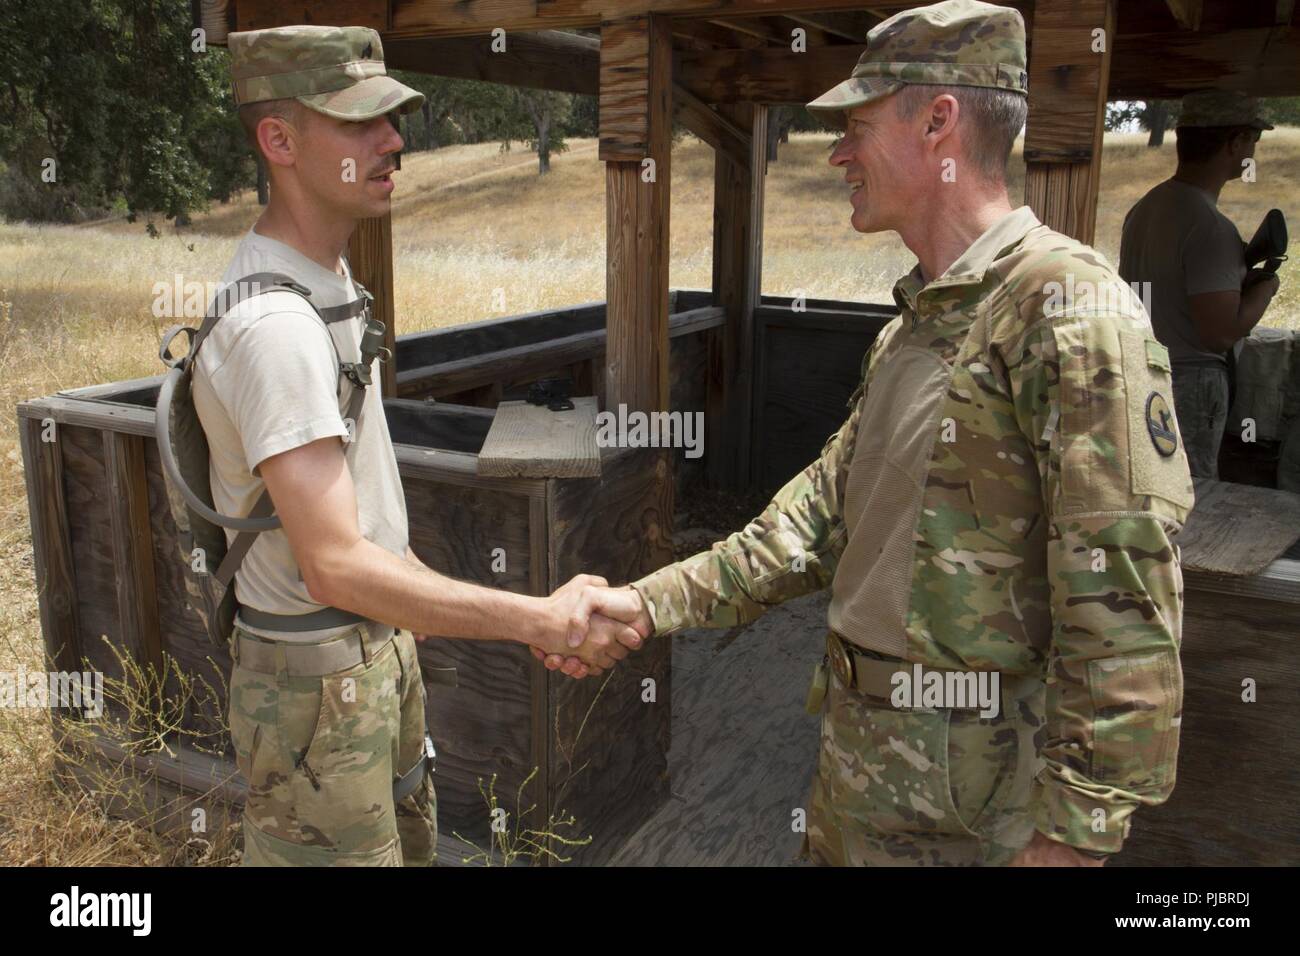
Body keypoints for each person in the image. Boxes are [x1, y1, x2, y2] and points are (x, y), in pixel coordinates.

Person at [546, 0, 1195, 867]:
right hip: (860, 782)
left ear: (938, 123)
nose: (839, 153)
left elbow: (1126, 609)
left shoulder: (1067, 311)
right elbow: (806, 529)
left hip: (979, 817)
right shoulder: (918, 321)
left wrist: (1074, 841)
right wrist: (643, 603)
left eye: (855, 127)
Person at [200, 25, 646, 866]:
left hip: (364, 662)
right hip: (316, 687)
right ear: (280, 141)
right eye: (360, 124)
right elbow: (333, 565)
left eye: (392, 119)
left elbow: (362, 531)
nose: (393, 141)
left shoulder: (327, 285)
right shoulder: (275, 327)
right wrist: (537, 618)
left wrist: (413, 618)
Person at [1120, 89, 1281, 478]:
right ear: (1235, 142)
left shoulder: (1145, 208)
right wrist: (1264, 288)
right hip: (1189, 382)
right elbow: (1219, 334)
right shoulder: (1210, 227)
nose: (1253, 152)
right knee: (1192, 492)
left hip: (1142, 369)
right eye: (1253, 141)